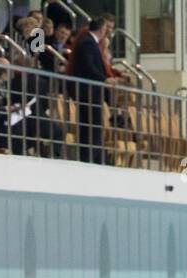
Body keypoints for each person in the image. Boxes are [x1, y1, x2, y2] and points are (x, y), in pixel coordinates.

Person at [69, 14, 116, 165]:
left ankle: (94, 157)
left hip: (90, 92)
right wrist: (104, 79)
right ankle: (91, 159)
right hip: (87, 92)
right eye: (106, 27)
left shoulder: (90, 42)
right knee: (92, 126)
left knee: (91, 126)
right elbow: (89, 67)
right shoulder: (88, 43)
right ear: (102, 28)